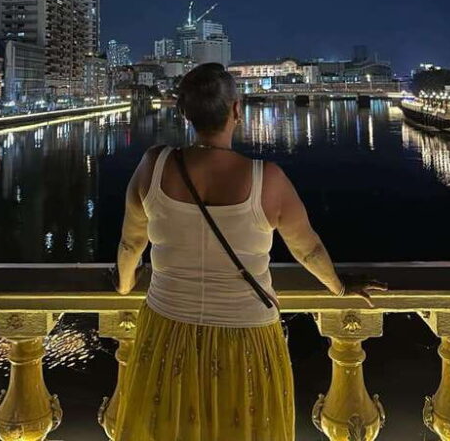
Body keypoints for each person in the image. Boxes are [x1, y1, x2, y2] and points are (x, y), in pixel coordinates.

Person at [109, 63, 385, 441]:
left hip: (167, 326)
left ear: (185, 113)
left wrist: (124, 287)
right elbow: (308, 249)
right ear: (236, 111)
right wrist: (338, 287)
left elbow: (130, 244)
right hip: (247, 335)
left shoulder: (153, 166)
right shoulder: (266, 179)